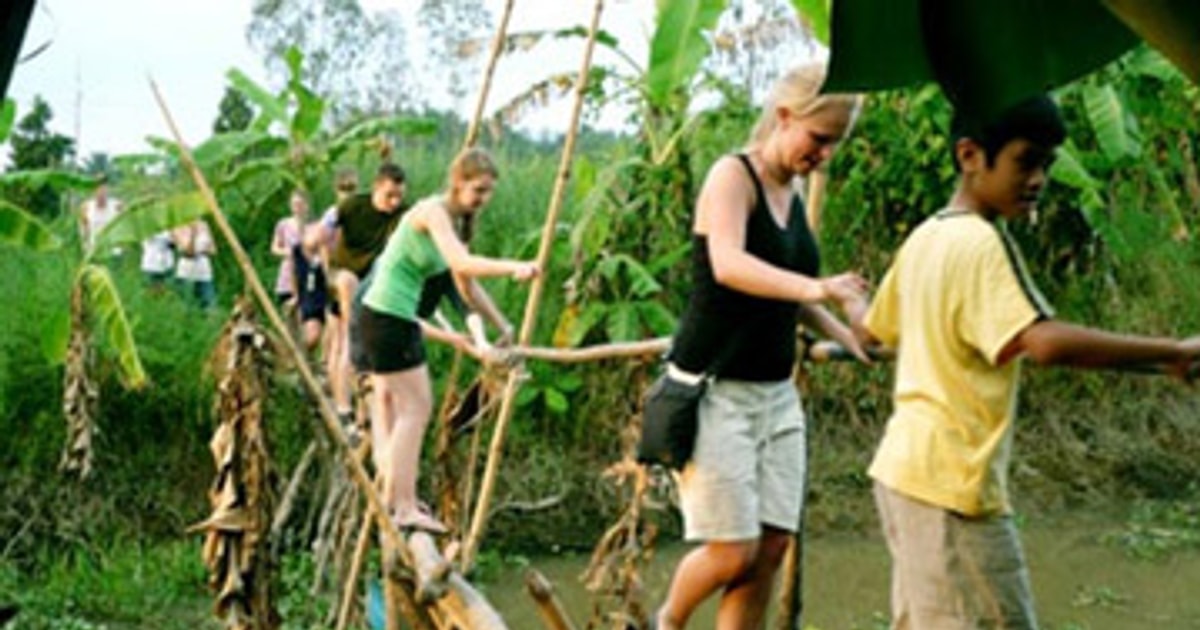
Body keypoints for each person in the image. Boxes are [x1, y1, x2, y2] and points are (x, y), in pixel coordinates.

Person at [847, 94, 1200, 630]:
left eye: (1046, 165)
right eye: (1025, 161)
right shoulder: (980, 242)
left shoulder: (927, 236)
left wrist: (849, 300)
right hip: (951, 487)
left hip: (905, 476)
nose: (1038, 178)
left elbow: (874, 329)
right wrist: (1172, 351)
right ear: (970, 156)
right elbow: (1043, 342)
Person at [654, 65, 868, 630]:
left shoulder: (792, 191)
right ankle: (666, 621)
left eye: (834, 145)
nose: (823, 154)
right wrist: (819, 287)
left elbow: (789, 293)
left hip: (776, 397)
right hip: (717, 391)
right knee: (732, 551)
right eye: (818, 139)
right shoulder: (733, 176)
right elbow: (728, 264)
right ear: (784, 117)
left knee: (772, 548)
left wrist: (847, 335)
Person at [356, 148, 538, 533]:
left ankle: (396, 496)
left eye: (489, 192)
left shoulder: (454, 224)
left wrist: (502, 325)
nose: (483, 200)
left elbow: (465, 288)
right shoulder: (432, 212)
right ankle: (403, 505)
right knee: (416, 408)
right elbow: (461, 264)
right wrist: (514, 268)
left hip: (389, 318)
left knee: (405, 407)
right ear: (458, 183)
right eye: (479, 190)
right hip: (388, 318)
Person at [324, 163, 407, 422]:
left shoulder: (400, 214)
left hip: (368, 283)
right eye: (388, 195)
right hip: (341, 278)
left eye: (398, 196)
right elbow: (323, 233)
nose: (393, 202)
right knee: (348, 339)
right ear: (375, 188)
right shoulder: (352, 206)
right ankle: (343, 407)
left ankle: (354, 407)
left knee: (344, 343)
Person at [293, 222, 330, 354]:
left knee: (327, 339)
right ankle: (301, 360)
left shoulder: (326, 252)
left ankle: (322, 365)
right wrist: (295, 295)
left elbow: (329, 275)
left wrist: (323, 253)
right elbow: (295, 274)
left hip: (326, 299)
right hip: (308, 300)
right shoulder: (297, 251)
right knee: (311, 337)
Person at [272, 189, 309, 307]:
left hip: (306, 272)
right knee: (287, 309)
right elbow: (274, 248)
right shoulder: (283, 225)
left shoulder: (312, 225)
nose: (297, 208)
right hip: (287, 272)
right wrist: (288, 252)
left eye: (300, 204)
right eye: (294, 204)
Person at [173, 220, 217, 310]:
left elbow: (213, 250)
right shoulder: (178, 227)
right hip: (186, 272)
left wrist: (201, 250)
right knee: (186, 305)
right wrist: (194, 233)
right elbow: (189, 251)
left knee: (210, 304)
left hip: (204, 272)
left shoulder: (204, 224)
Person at [80, 176, 122, 256]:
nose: (101, 191)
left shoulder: (117, 206)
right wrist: (85, 249)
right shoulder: (86, 207)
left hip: (114, 252)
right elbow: (83, 232)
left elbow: (125, 226)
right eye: (98, 188)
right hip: (94, 253)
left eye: (103, 187)